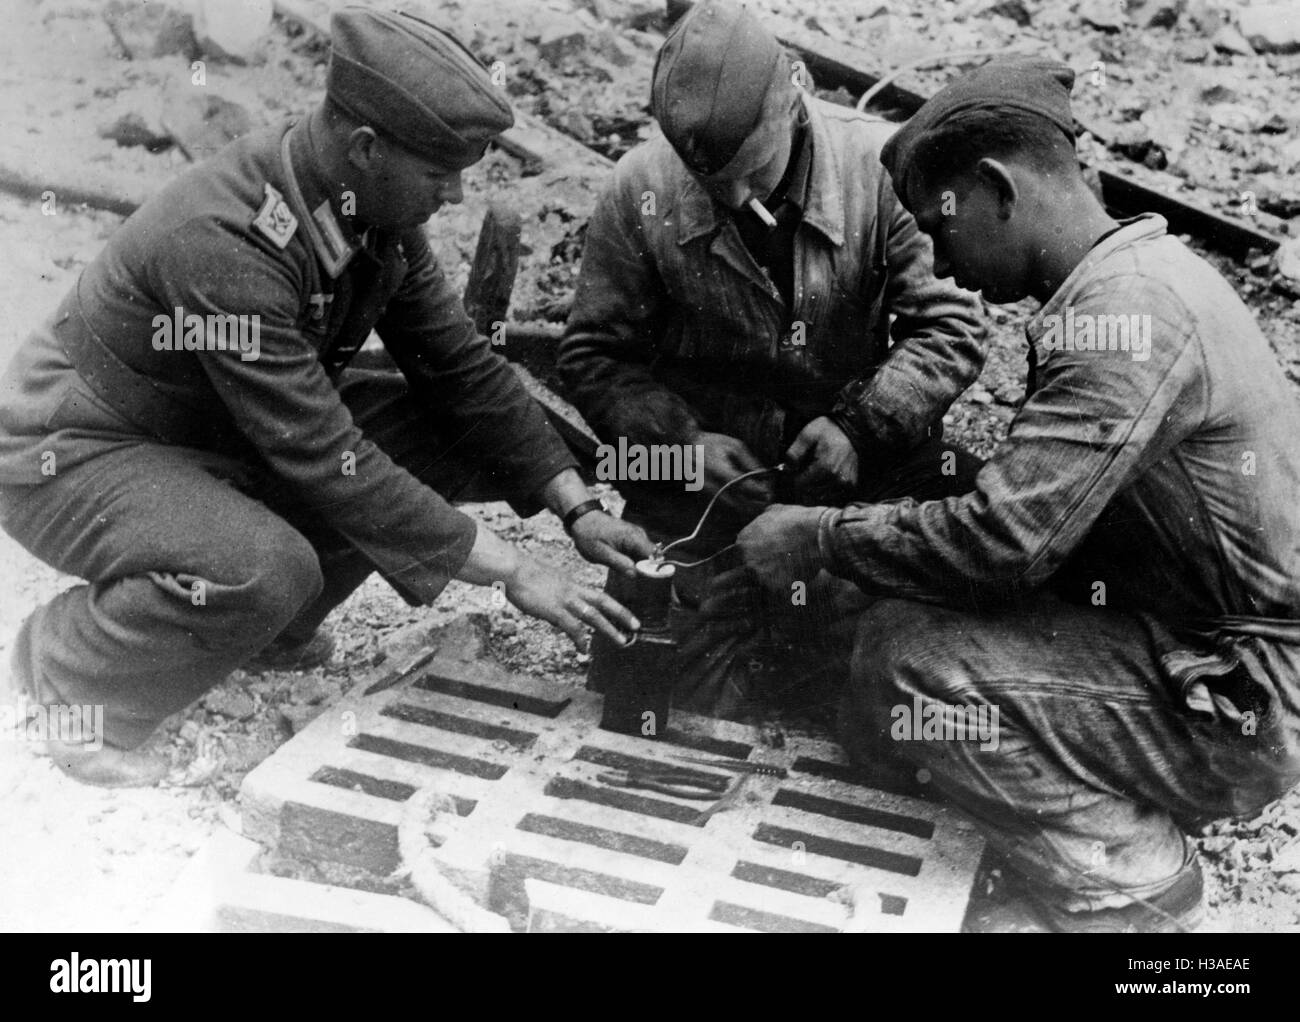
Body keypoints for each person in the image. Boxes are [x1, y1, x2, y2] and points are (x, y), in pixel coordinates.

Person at [0, 6, 652, 787]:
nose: (453, 194)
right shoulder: (224, 239)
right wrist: (511, 569)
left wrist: (575, 505)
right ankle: (67, 675)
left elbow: (457, 365)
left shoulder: (367, 206)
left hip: (212, 429)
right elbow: (318, 451)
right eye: (440, 172)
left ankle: (265, 636)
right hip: (82, 444)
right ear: (367, 149)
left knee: (434, 430)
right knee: (263, 569)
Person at [736, 56, 1300, 931]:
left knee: (908, 665)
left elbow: (1004, 544)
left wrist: (818, 538)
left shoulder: (1128, 316)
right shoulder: (1132, 278)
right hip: (1198, 638)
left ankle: (1128, 869)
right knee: (900, 619)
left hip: (1246, 698)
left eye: (942, 226)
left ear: (998, 189)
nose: (946, 267)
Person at [558, 0, 986, 715]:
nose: (733, 198)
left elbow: (950, 328)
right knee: (648, 699)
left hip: (858, 484)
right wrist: (681, 442)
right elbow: (594, 355)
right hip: (704, 495)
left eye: (750, 174)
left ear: (794, 94)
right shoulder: (640, 189)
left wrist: (861, 425)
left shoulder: (882, 170)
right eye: (710, 183)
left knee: (896, 692)